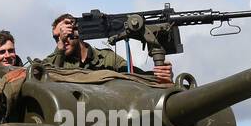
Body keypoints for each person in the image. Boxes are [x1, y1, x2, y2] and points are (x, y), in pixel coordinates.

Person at [45, 14, 173, 84]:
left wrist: (160, 77)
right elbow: (40, 76)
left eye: (65, 35)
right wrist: (61, 45)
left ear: (77, 33)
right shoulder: (57, 62)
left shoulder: (107, 59)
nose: (61, 40)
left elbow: (137, 76)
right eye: (57, 38)